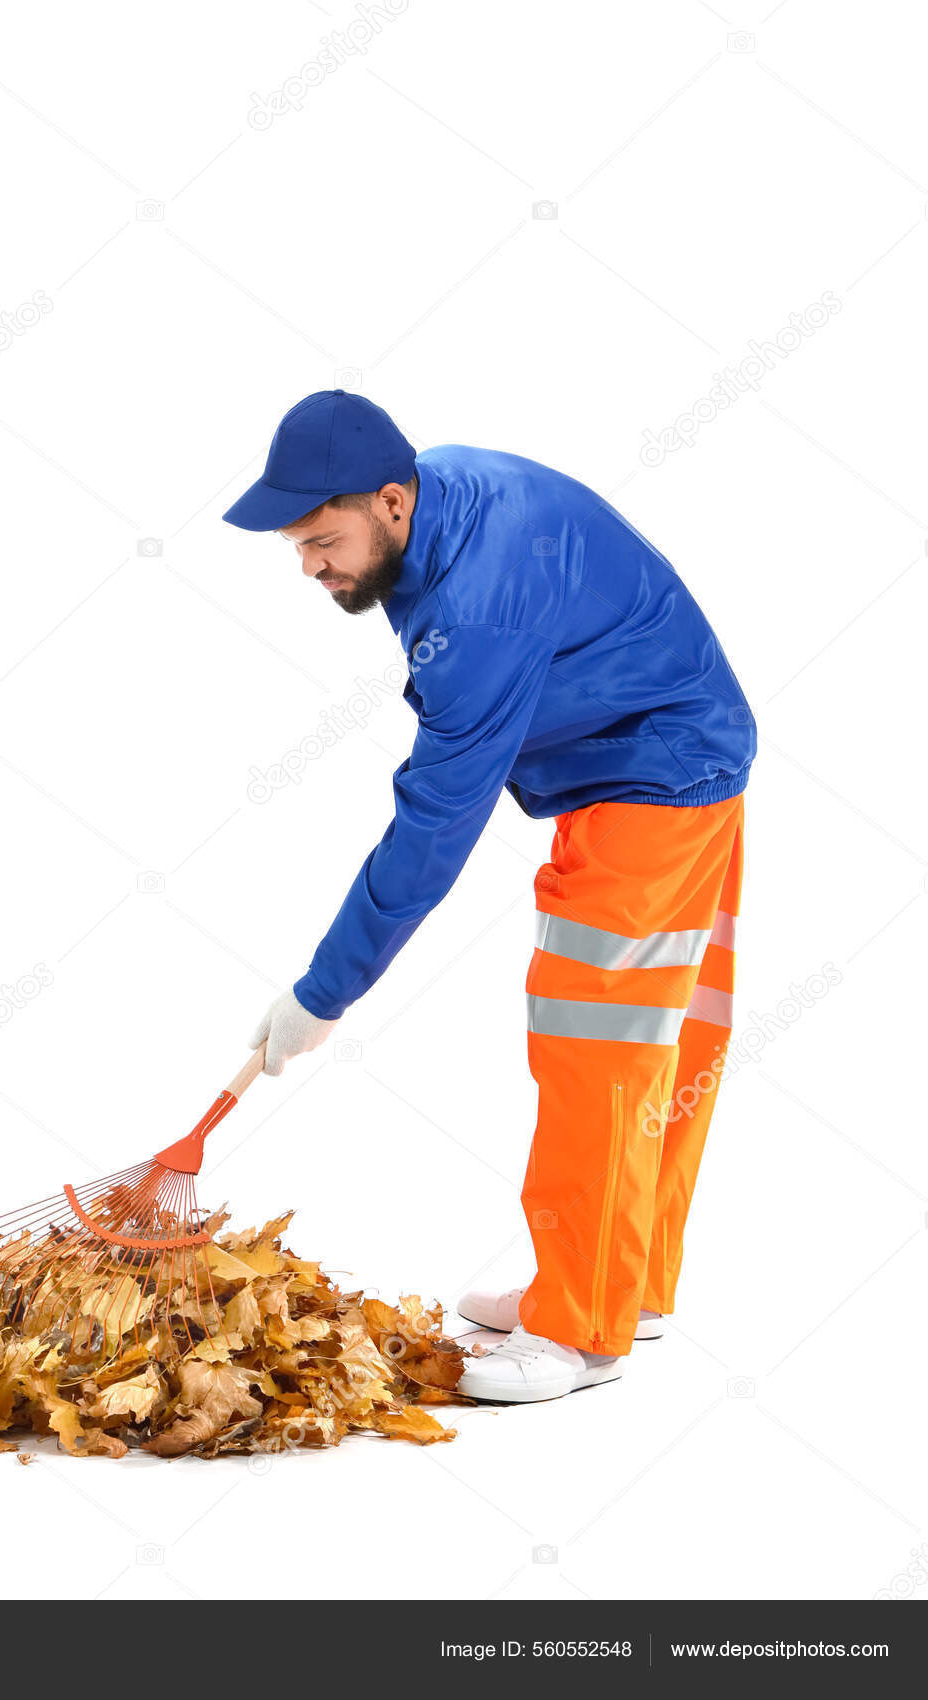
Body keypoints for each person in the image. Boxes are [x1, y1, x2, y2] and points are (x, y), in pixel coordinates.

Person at [223, 391, 755, 1404]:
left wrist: (323, 990)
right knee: (661, 1042)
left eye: (321, 541)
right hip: (676, 749)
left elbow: (433, 828)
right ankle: (617, 1279)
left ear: (388, 498)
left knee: (594, 1046)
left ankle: (578, 1329)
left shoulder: (478, 607)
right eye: (296, 546)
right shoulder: (443, 493)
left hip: (654, 778)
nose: (309, 567)